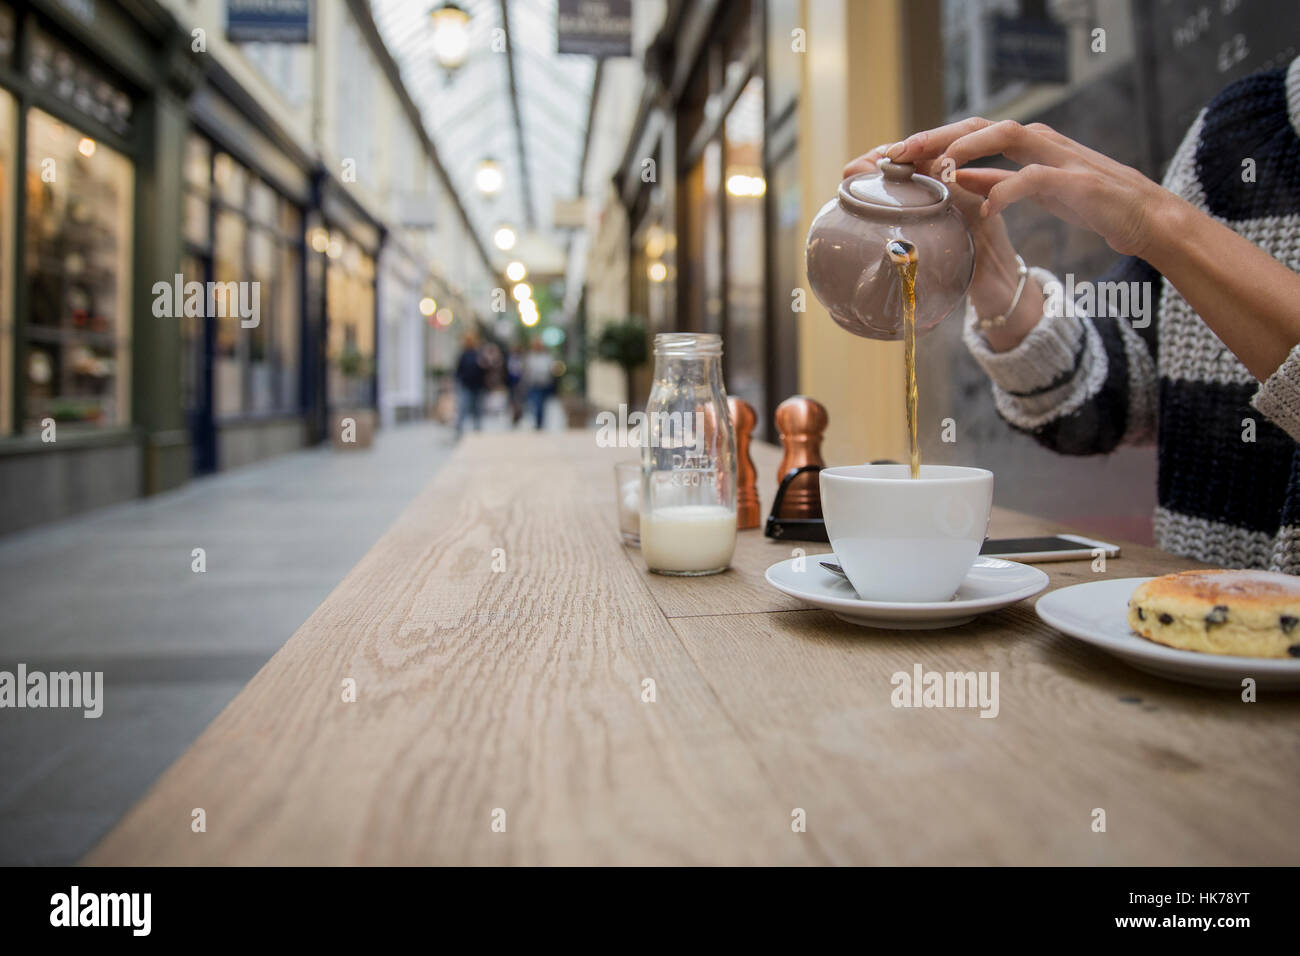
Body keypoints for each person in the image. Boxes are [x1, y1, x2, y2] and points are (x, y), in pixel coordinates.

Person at [844, 56, 1300, 573]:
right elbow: (1115, 395)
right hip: (1195, 622)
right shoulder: (1233, 132)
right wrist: (991, 267)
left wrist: (1163, 224)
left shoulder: (1195, 185)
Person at [454, 331, 486, 437]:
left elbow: (484, 369)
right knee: (463, 407)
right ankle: (459, 428)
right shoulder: (463, 354)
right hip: (466, 385)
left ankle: (477, 428)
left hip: (477, 385)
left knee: (477, 408)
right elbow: (458, 370)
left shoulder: (478, 353)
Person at [522, 339, 555, 431]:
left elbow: (550, 370)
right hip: (533, 384)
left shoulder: (547, 357)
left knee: (542, 404)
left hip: (544, 384)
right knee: (536, 403)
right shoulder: (530, 357)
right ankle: (537, 422)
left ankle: (540, 422)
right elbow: (527, 371)